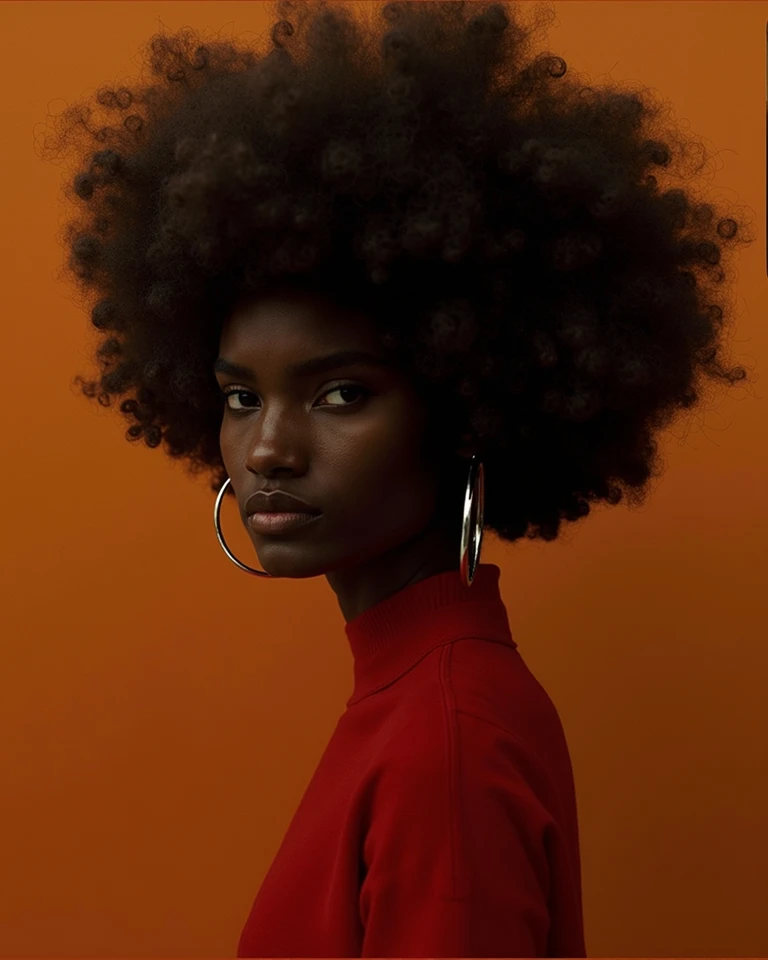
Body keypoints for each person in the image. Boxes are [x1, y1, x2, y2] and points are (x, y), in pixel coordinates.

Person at [45, 1, 753, 955]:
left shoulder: (443, 746)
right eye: (241, 397)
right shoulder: (425, 700)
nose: (268, 451)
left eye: (340, 394)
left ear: (467, 409)